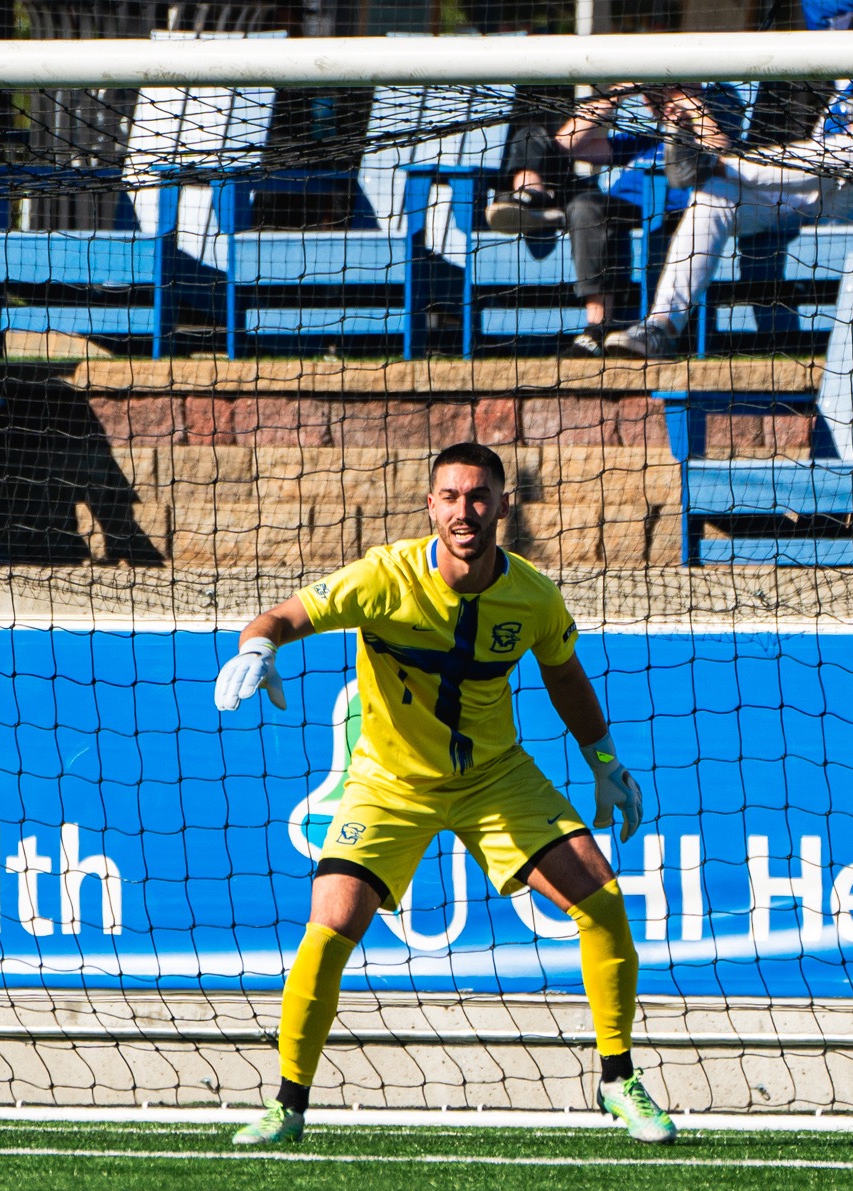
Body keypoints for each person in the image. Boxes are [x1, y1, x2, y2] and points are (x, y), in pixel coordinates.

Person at [214, 441, 672, 1147]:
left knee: (604, 903)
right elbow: (279, 618)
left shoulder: (533, 594)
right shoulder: (381, 578)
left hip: (496, 777)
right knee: (329, 927)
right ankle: (287, 1104)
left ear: (501, 507)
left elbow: (565, 675)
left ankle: (617, 1078)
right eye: (451, 497)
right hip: (390, 784)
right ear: (431, 507)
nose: (466, 511)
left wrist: (605, 761)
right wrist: (255, 648)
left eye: (479, 496)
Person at [605, 3, 853, 359]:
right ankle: (661, 327)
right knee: (712, 196)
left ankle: (721, 163)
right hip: (811, 184)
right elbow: (818, 8)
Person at [483, 85, 731, 355]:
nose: (652, 102)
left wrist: (687, 104)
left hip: (662, 213)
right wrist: (615, 96)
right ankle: (532, 197)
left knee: (587, 207)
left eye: (659, 94)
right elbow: (567, 143)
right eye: (650, 95)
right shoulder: (645, 140)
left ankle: (552, 216)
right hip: (615, 206)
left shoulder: (701, 137)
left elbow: (723, 149)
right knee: (534, 136)